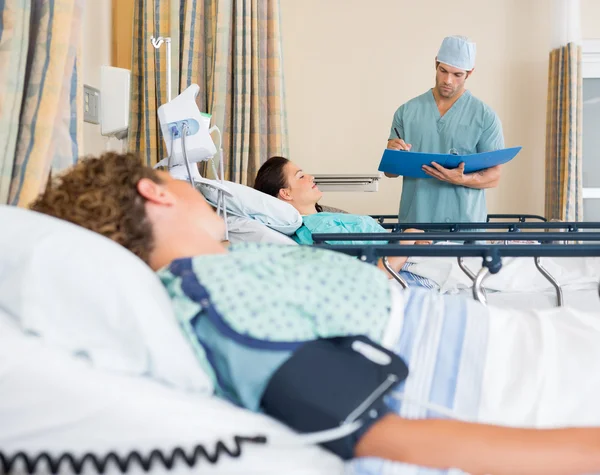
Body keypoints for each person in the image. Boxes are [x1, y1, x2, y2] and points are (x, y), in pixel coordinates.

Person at [30, 152, 600, 475]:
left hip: (521, 353)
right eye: (184, 182)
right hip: (527, 384)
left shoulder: (225, 277)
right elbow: (379, 434)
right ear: (155, 194)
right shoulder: (213, 298)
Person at [254, 155, 435, 287]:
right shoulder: (315, 231)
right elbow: (378, 272)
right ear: (285, 193)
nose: (311, 177)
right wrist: (406, 239)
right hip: (404, 268)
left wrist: (408, 239)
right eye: (301, 176)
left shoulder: (323, 219)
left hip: (408, 255)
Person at [386, 35, 504, 224]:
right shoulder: (406, 111)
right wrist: (392, 154)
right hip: (415, 225)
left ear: (469, 73)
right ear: (436, 64)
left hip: (464, 225)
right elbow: (390, 173)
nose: (448, 80)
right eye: (443, 71)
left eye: (457, 75)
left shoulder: (485, 116)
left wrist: (462, 179)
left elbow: (494, 177)